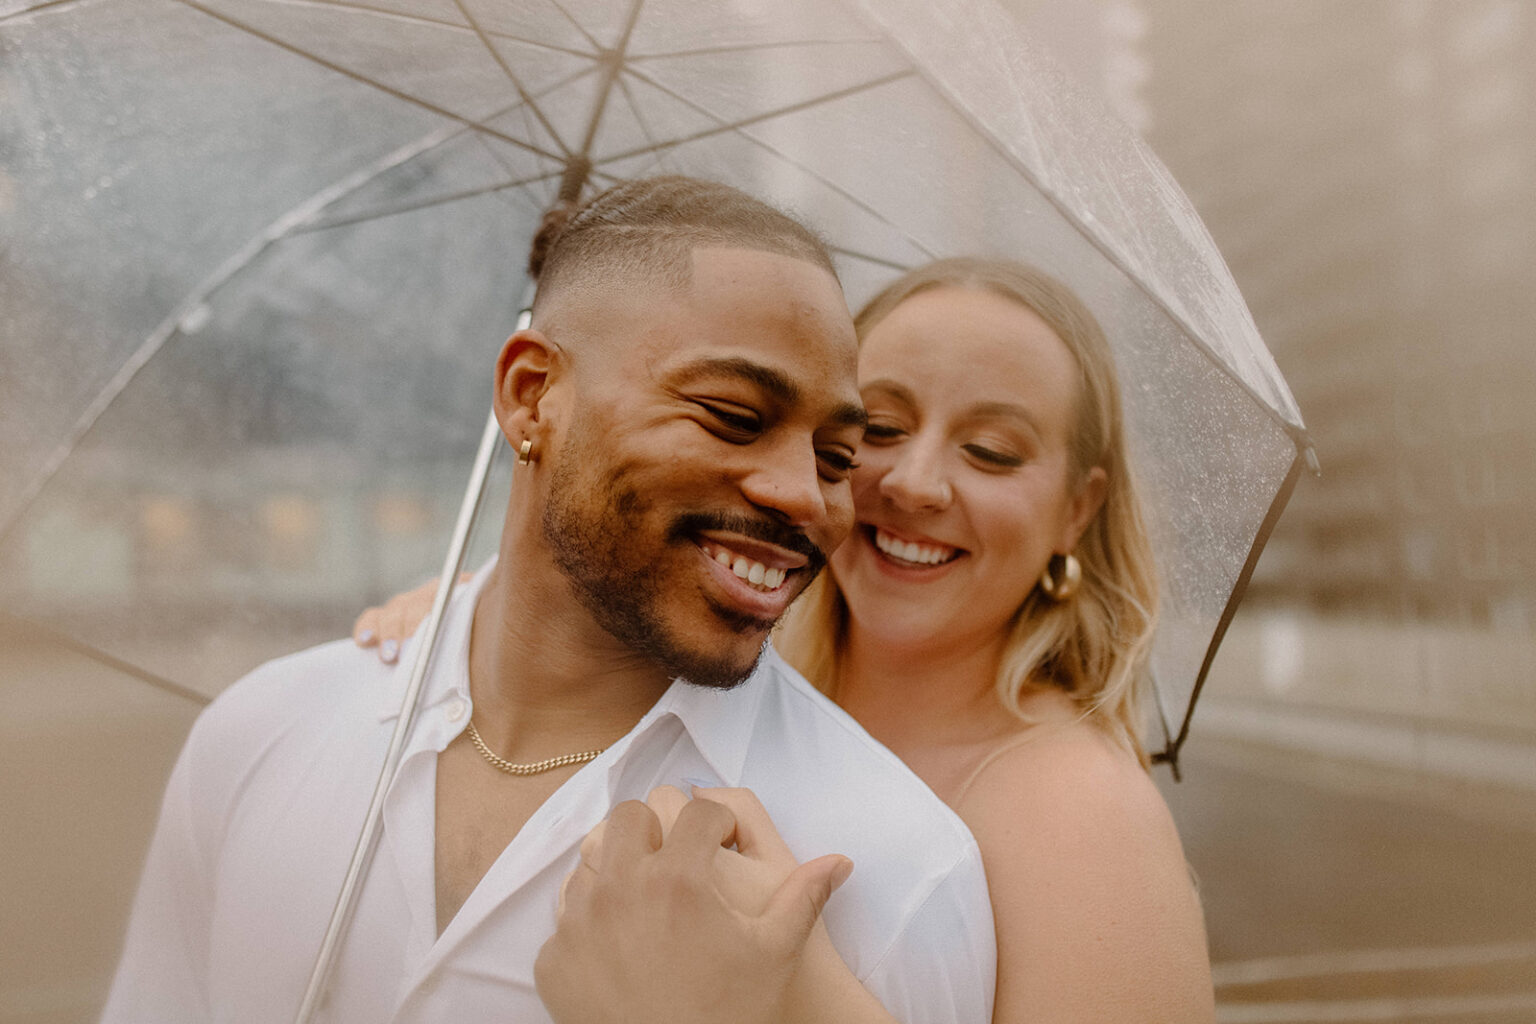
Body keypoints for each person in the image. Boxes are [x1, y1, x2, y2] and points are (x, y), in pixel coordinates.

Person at [101, 177, 996, 1024]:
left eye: (837, 458)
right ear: (533, 395)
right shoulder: (259, 732)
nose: (807, 496)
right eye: (732, 414)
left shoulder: (893, 865)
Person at [359, 257, 1217, 1022]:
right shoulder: (728, 675)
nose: (914, 483)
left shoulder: (1078, 813)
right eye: (877, 430)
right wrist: (482, 606)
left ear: (1078, 508)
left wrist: (791, 994)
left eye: (990, 451)